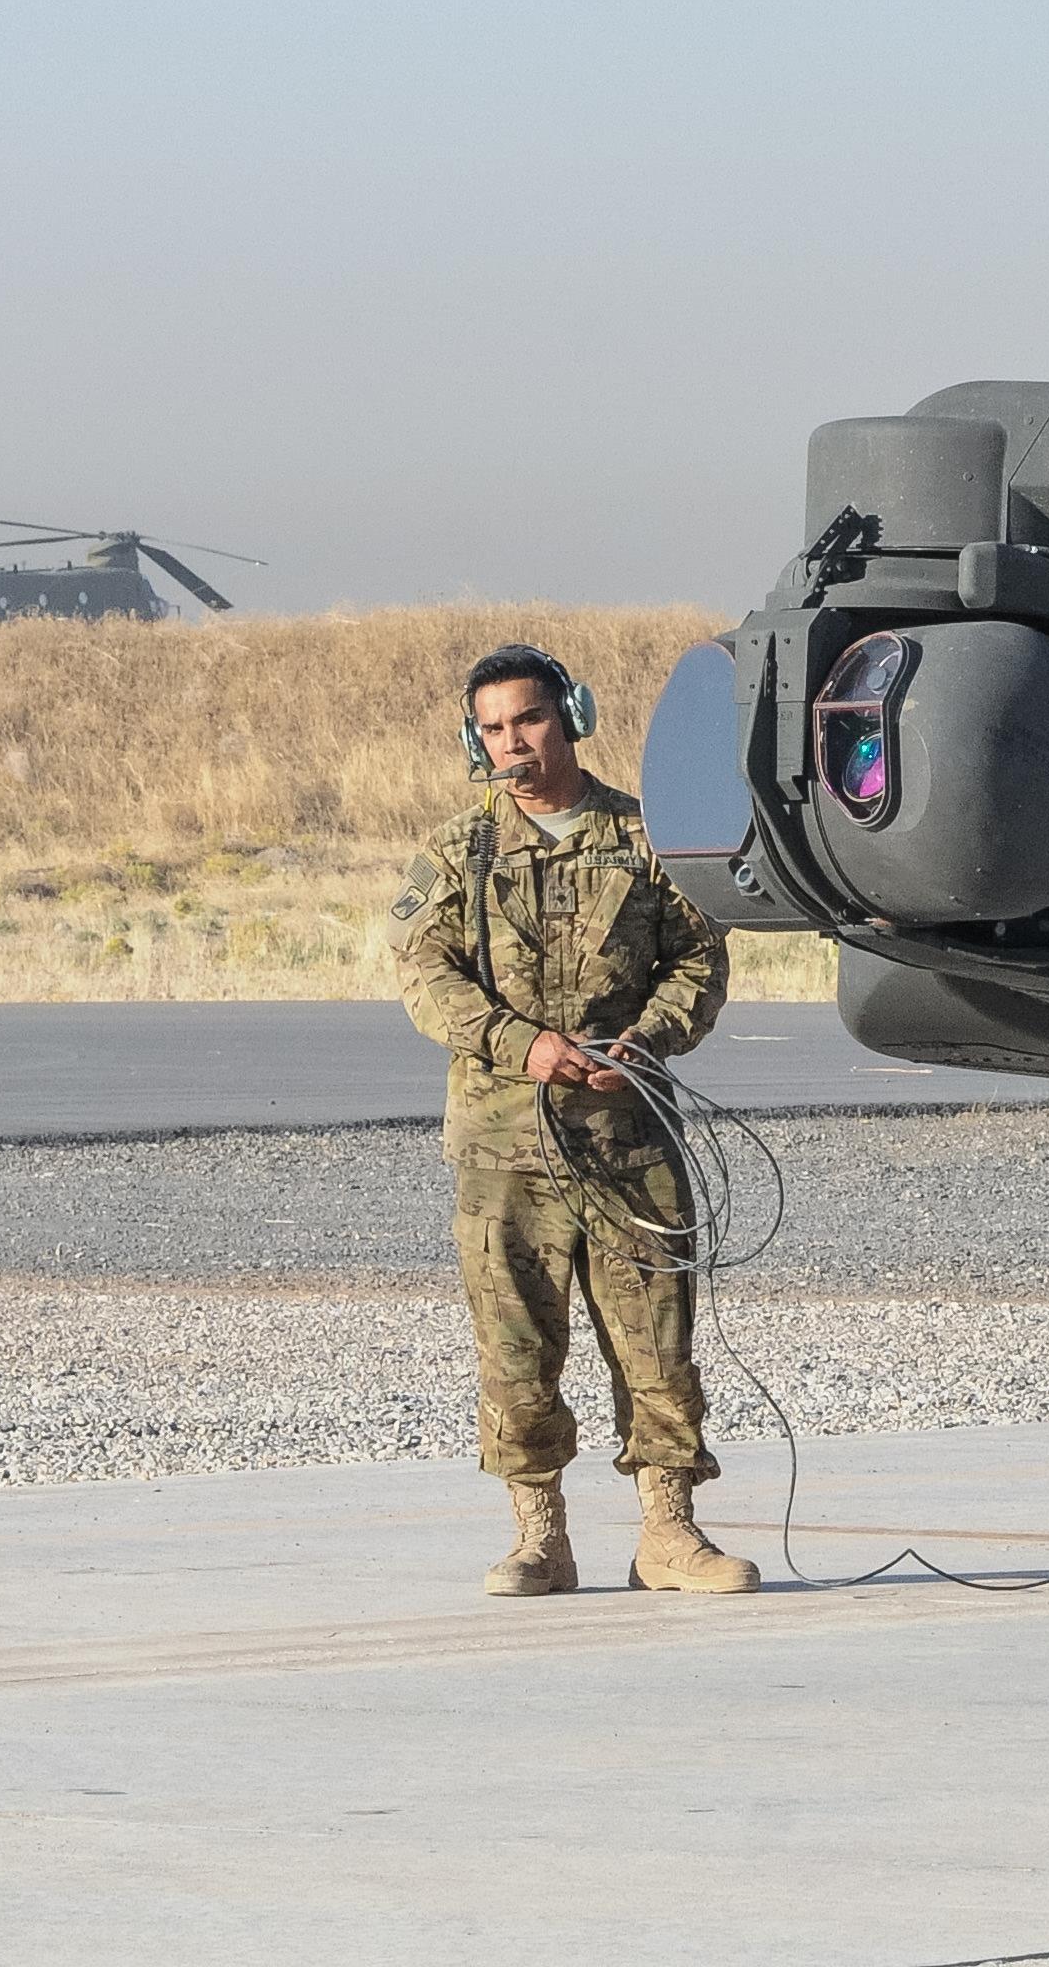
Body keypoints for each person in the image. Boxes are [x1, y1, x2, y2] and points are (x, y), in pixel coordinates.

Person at [393, 643, 759, 1598]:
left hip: (628, 1139)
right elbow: (426, 980)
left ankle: (669, 1534)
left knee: (657, 1341)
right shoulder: (455, 852)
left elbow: (699, 961)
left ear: (573, 716)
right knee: (516, 1347)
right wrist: (525, 1048)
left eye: (530, 719)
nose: (514, 742)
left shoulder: (645, 840)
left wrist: (648, 1039)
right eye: (494, 727)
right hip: (504, 1145)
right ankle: (539, 1540)